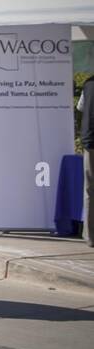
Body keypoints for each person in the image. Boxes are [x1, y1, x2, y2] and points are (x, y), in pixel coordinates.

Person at [81, 79, 93, 248]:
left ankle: (90, 235)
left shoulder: (88, 83)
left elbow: (81, 107)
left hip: (89, 140)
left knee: (89, 189)